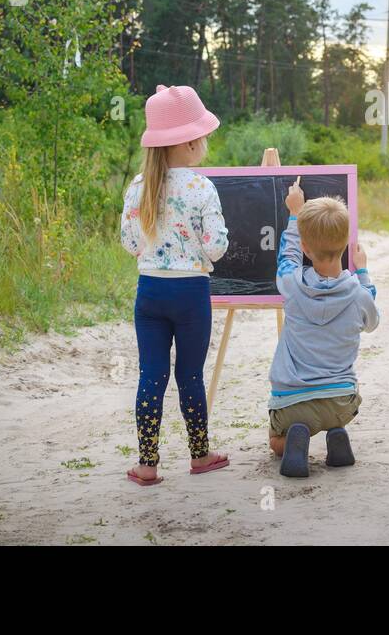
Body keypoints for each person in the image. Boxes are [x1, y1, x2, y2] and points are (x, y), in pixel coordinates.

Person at [119, 85, 229, 486]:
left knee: (151, 374)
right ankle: (200, 455)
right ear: (189, 142)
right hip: (190, 294)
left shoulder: (138, 185)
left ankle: (147, 464)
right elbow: (216, 248)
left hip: (149, 292)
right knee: (190, 375)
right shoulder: (201, 187)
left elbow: (131, 243)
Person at [267, 177, 379, 478]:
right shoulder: (357, 295)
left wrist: (294, 215)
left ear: (305, 246)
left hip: (292, 403)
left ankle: (294, 438)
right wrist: (364, 272)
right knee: (332, 415)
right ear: (345, 244)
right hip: (340, 401)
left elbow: (286, 259)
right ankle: (335, 433)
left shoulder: (291, 285)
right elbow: (373, 320)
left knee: (275, 440)